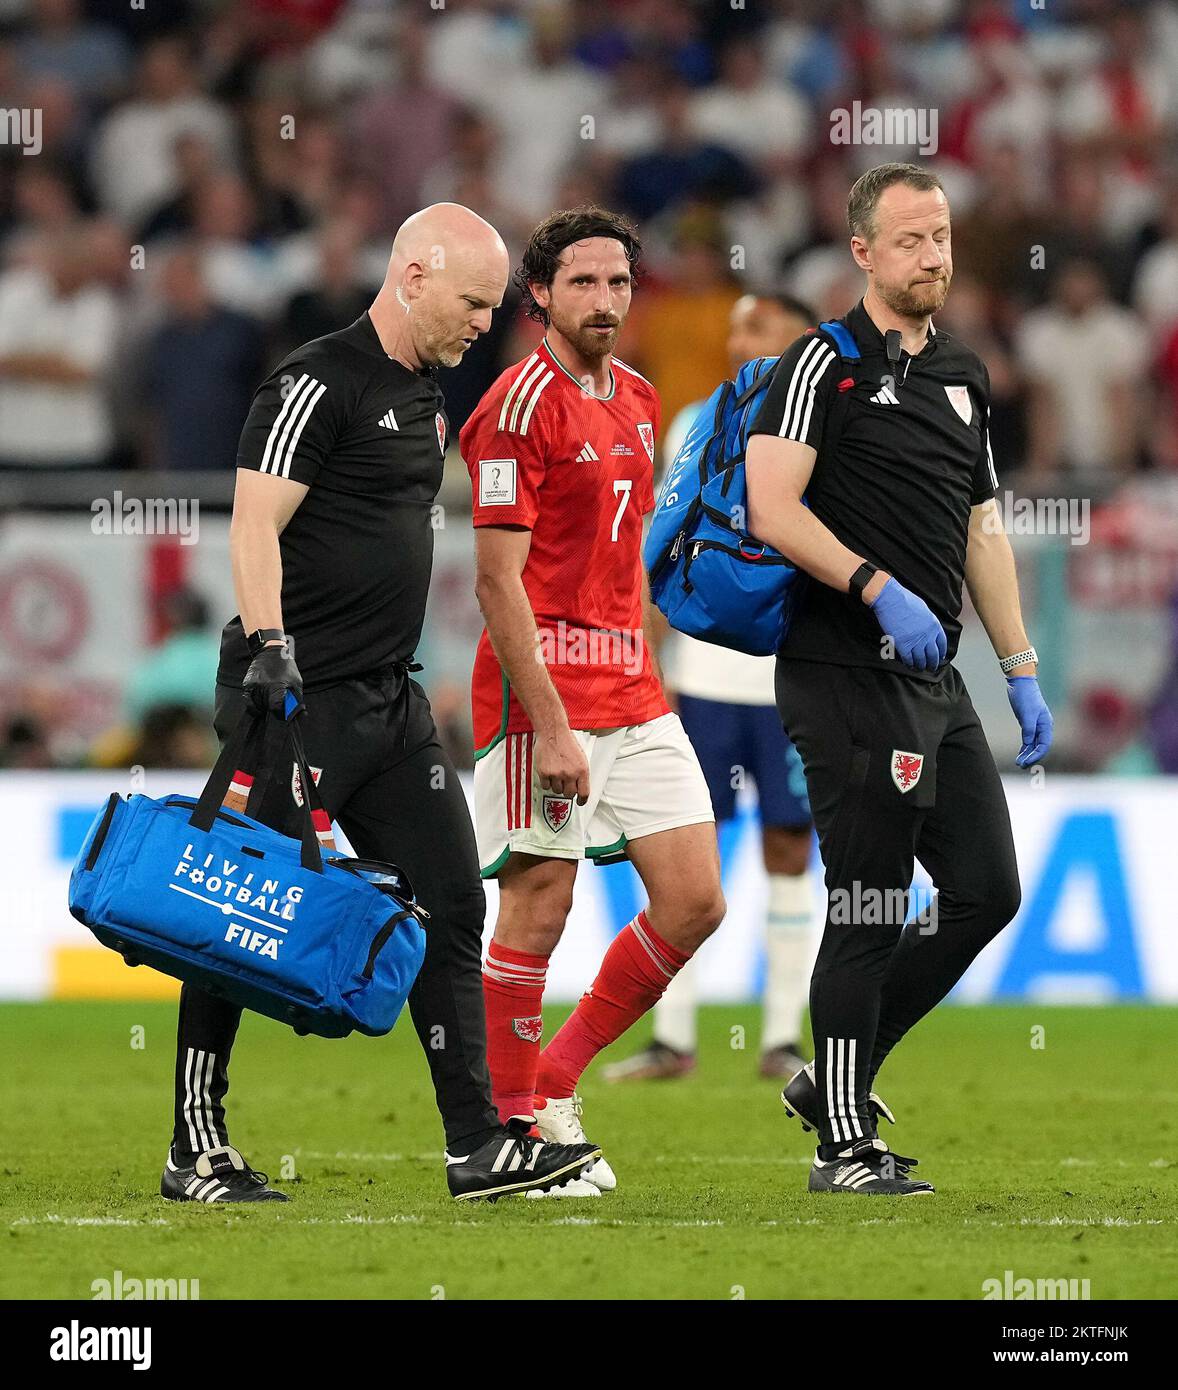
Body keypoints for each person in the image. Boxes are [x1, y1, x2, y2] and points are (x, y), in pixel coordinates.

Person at [162, 202, 599, 1206]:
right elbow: (252, 524)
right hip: (296, 700)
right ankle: (195, 1144)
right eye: (471, 302)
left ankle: (475, 1142)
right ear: (410, 274)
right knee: (236, 919)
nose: (483, 325)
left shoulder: (425, 395)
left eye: (494, 307)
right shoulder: (313, 381)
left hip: (388, 701)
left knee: (452, 898)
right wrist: (270, 647)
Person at [745, 163, 1053, 1196]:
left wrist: (1017, 670)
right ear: (862, 253)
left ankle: (833, 1077)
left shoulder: (963, 374)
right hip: (841, 671)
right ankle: (841, 1144)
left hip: (934, 683)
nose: (933, 255)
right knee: (869, 901)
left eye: (942, 236)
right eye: (910, 239)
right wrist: (873, 585)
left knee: (985, 889)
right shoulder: (816, 364)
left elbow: (981, 529)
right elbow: (770, 507)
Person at [460, 205, 726, 1195]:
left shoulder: (641, 399)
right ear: (538, 294)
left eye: (617, 283)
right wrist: (552, 722)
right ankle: (514, 1123)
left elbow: (627, 558)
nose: (605, 300)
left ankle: (556, 1077)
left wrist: (654, 662)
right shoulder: (512, 409)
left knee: (695, 898)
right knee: (539, 900)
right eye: (582, 282)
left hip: (634, 685)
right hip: (548, 700)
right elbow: (496, 583)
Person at [608, 293, 819, 1084]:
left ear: (800, 339)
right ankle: (673, 1036)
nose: (738, 339)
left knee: (789, 848)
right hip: (700, 675)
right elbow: (659, 538)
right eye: (734, 325)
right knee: (683, 853)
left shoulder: (826, 421)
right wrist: (646, 652)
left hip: (790, 676)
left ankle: (781, 1039)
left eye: (758, 326)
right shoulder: (695, 417)